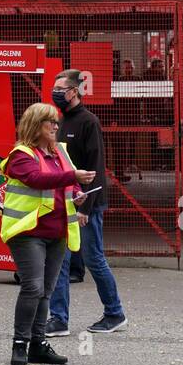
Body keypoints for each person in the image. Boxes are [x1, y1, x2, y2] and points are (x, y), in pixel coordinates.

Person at [0, 103, 94, 365]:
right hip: (28, 231)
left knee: (46, 291)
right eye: (49, 122)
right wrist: (72, 177)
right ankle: (20, 345)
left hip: (57, 231)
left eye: (56, 122)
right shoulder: (21, 154)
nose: (55, 126)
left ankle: (38, 345)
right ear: (35, 125)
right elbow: (36, 179)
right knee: (33, 287)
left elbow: (70, 183)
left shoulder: (60, 151)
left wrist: (77, 191)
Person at [45, 69, 127, 337]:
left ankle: (114, 313)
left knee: (93, 258)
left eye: (60, 89)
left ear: (74, 92)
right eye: (54, 89)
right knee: (60, 260)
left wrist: (85, 208)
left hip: (86, 203)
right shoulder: (60, 122)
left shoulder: (88, 122)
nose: (56, 93)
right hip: (65, 200)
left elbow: (96, 169)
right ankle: (58, 319)